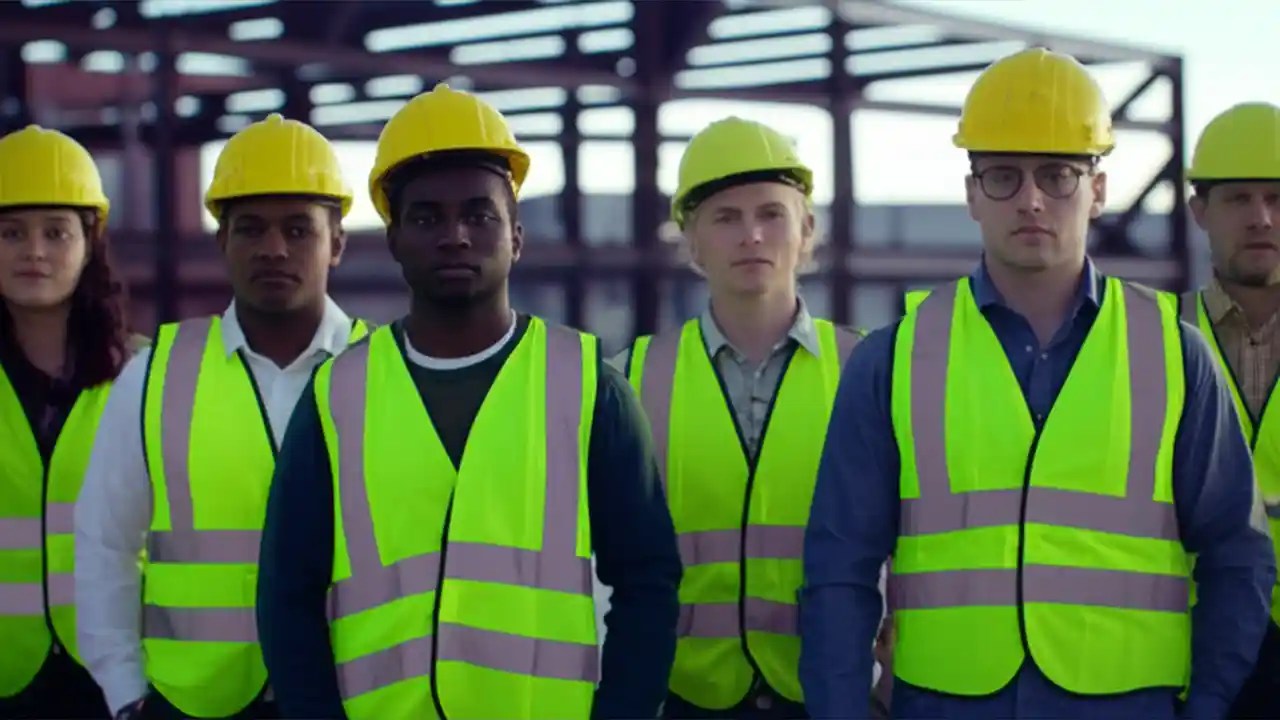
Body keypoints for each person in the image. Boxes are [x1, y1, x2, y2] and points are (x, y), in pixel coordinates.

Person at [799, 47, 1276, 720]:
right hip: (946, 706)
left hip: (1127, 707)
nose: (1030, 199)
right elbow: (838, 571)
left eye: (1057, 175)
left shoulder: (1175, 353)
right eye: (1002, 176)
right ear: (970, 193)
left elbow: (1237, 555)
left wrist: (1205, 706)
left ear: (1098, 190)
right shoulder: (894, 358)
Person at [254, 83, 682, 720]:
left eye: (479, 215)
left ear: (516, 236)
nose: (454, 235)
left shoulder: (590, 385)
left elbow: (648, 581)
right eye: (426, 217)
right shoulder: (337, 395)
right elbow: (287, 595)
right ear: (394, 239)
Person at [74, 113, 368, 720]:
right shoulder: (154, 376)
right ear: (222, 241)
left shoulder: (385, 374)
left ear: (337, 241)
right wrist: (126, 691)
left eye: (298, 229)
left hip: (348, 696)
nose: (274, 249)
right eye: (251, 228)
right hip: (194, 702)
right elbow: (105, 542)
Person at [612, 116, 861, 719]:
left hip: (829, 692)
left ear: (806, 231)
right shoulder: (630, 378)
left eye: (771, 214)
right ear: (690, 241)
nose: (751, 235)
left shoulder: (870, 370)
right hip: (682, 695)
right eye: (725, 218)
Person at [0, 124, 138, 719]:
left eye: (56, 232)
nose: (34, 251)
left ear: (90, 244)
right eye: (11, 232)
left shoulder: (143, 376)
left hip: (114, 673)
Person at [1176, 101, 1280, 719]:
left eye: (1276, 197)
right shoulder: (1153, 339)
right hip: (1191, 640)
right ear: (1199, 211)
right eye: (1238, 198)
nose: (1261, 218)